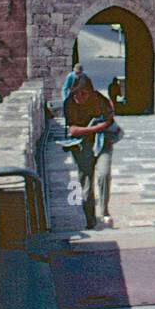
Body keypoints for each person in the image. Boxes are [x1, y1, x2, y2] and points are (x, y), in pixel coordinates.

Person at [63, 74, 116, 229]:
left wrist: (93, 128)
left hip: (102, 143)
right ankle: (90, 219)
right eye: (76, 94)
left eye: (84, 93)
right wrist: (96, 127)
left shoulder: (99, 99)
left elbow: (110, 117)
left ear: (90, 92)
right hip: (81, 147)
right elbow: (73, 130)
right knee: (86, 182)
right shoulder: (69, 104)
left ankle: (104, 211)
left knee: (104, 174)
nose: (80, 97)